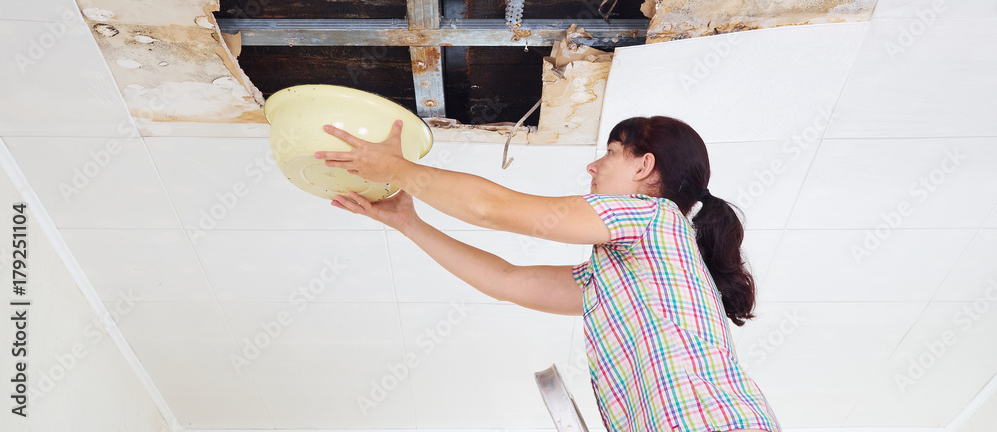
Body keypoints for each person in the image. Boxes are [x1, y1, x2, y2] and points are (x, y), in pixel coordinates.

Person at [317, 115, 781, 432]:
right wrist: (408, 222)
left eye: (612, 152)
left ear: (644, 165)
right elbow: (506, 280)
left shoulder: (652, 219)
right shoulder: (620, 273)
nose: (593, 165)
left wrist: (396, 167)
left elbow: (491, 210)